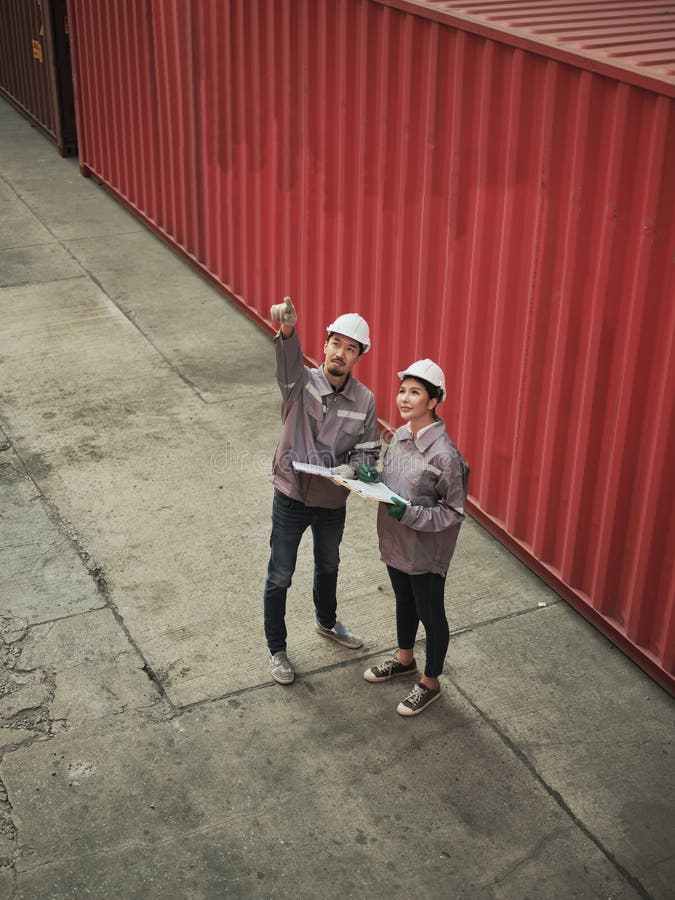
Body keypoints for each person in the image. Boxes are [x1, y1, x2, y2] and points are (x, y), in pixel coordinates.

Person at [264, 297, 380, 685]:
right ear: (325, 343)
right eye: (336, 344)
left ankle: (327, 623)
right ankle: (277, 649)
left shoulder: (365, 402)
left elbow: (367, 453)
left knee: (329, 565)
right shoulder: (301, 383)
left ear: (358, 357)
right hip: (292, 496)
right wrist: (288, 331)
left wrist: (351, 468)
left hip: (332, 501)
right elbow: (286, 362)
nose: (341, 354)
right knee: (280, 574)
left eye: (351, 349)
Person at [363, 359, 469, 716]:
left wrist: (408, 513)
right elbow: (395, 484)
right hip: (396, 543)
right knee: (404, 602)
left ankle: (430, 682)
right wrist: (370, 477)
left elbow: (453, 513)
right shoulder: (402, 436)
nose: (404, 398)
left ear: (434, 401)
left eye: (415, 392)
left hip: (425, 551)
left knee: (430, 612)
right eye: (403, 390)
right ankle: (404, 659)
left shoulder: (445, 455)